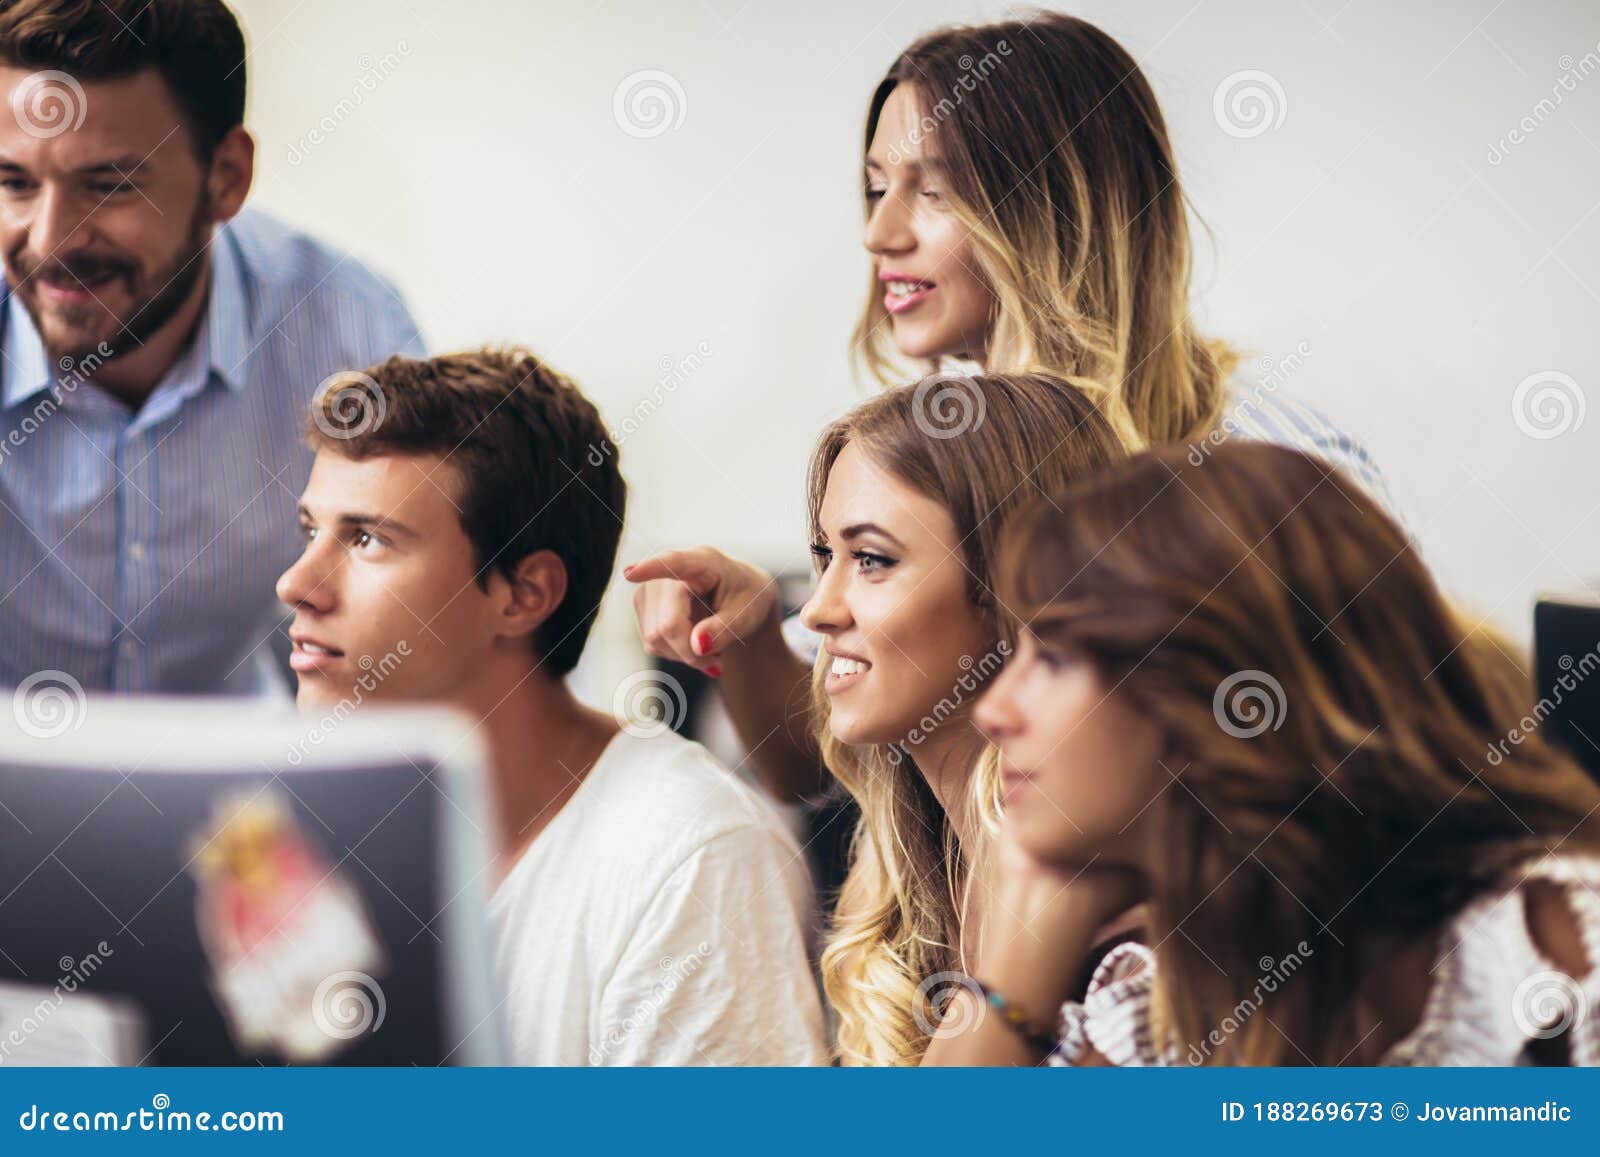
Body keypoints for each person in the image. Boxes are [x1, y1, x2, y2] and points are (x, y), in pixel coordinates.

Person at [626, 11, 1395, 815]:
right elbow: (812, 769)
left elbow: (1361, 791)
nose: (879, 233)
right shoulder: (921, 471)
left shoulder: (1281, 468)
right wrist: (748, 634)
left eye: (935, 191)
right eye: (876, 188)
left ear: (1062, 207)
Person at [945, 441, 1600, 1066]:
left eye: (1052, 658)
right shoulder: (1171, 1008)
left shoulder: (1553, 949)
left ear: (1209, 688)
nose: (991, 711)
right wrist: (1021, 961)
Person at [275, 349, 828, 1065]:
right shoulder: (302, 829)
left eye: (368, 539)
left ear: (524, 594)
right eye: (309, 531)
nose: (297, 582)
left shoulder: (688, 857)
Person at [0, 0, 423, 695]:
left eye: (108, 186)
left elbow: (432, 631)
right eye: (14, 182)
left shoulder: (352, 329)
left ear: (226, 177)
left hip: (256, 793)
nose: (50, 241)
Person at [775, 370, 1126, 1064]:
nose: (817, 609)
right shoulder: (912, 874)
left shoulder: (1116, 909)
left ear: (1018, 590)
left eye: (872, 559)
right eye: (825, 557)